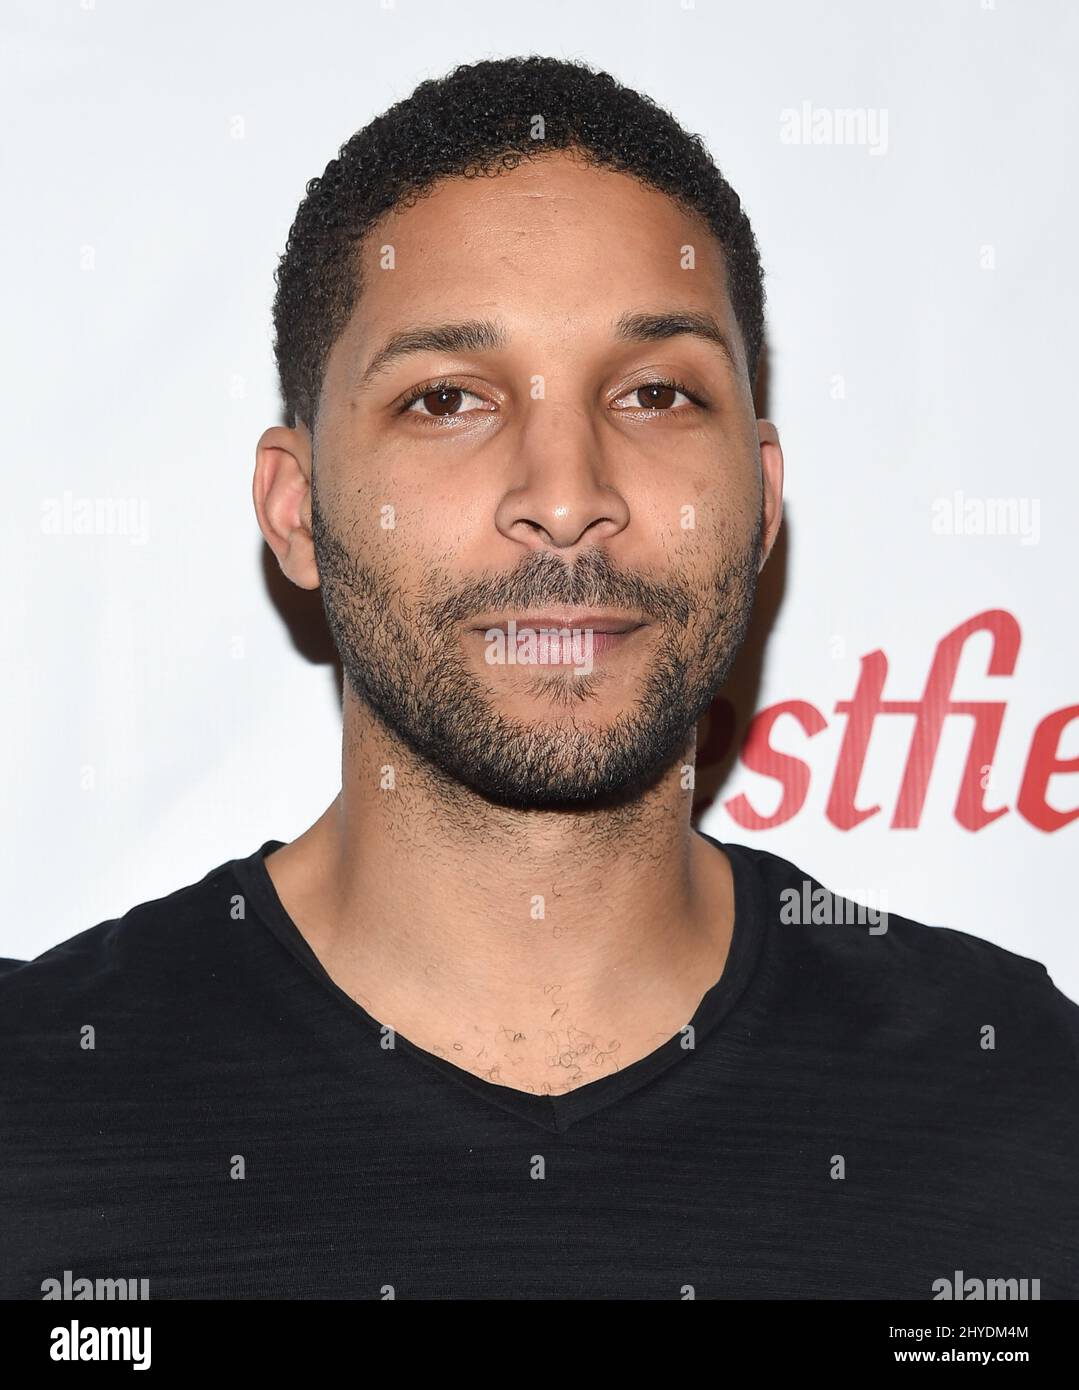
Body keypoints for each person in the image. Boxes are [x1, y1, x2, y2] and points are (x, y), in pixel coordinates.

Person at [2, 55, 1076, 1302]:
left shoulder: (1015, 1098)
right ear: (296, 512)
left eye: (656, 392)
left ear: (762, 497)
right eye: (447, 398)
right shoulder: (37, 1108)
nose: (566, 497)